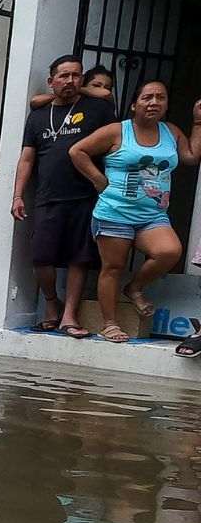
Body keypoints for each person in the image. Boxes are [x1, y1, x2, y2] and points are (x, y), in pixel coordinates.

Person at [68, 80, 201, 344]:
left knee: (169, 251)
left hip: (153, 214)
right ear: (134, 104)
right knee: (113, 267)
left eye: (160, 98)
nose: (154, 103)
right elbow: (77, 151)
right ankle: (109, 323)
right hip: (115, 211)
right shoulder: (118, 131)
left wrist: (197, 123)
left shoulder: (171, 131)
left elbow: (190, 157)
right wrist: (98, 180)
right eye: (147, 98)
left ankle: (135, 287)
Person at [13, 55, 118, 338]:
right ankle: (51, 303)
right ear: (51, 81)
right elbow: (26, 159)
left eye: (76, 75)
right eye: (64, 76)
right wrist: (18, 195)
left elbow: (114, 143)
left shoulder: (96, 110)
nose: (70, 81)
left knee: (78, 257)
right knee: (41, 258)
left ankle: (69, 315)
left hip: (85, 196)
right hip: (48, 196)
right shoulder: (37, 116)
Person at [30, 65, 114, 111]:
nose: (102, 89)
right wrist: (64, 94)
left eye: (107, 87)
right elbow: (35, 101)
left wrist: (74, 89)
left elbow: (106, 94)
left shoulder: (106, 102)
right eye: (96, 86)